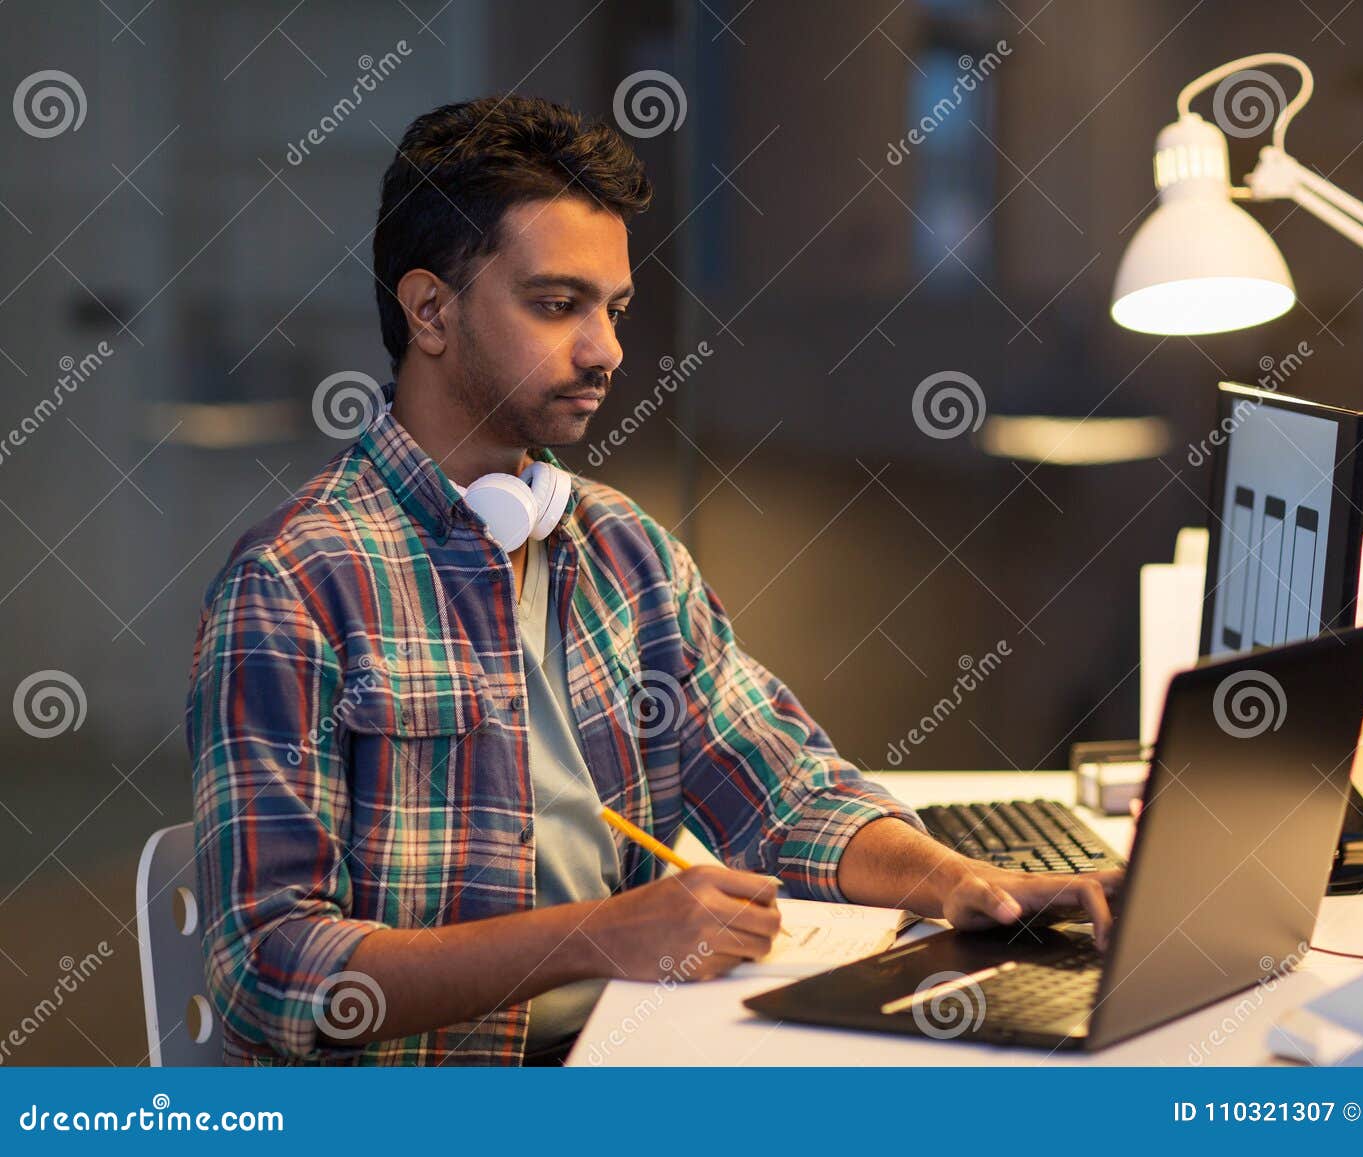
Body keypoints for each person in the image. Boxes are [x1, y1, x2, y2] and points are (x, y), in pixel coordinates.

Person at [186, 94, 1120, 1066]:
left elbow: (785, 793)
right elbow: (272, 974)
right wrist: (600, 932)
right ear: (430, 308)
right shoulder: (292, 584)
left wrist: (958, 880)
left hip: (632, 1050)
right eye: (557, 305)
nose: (605, 350)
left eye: (613, 308)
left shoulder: (623, 551)